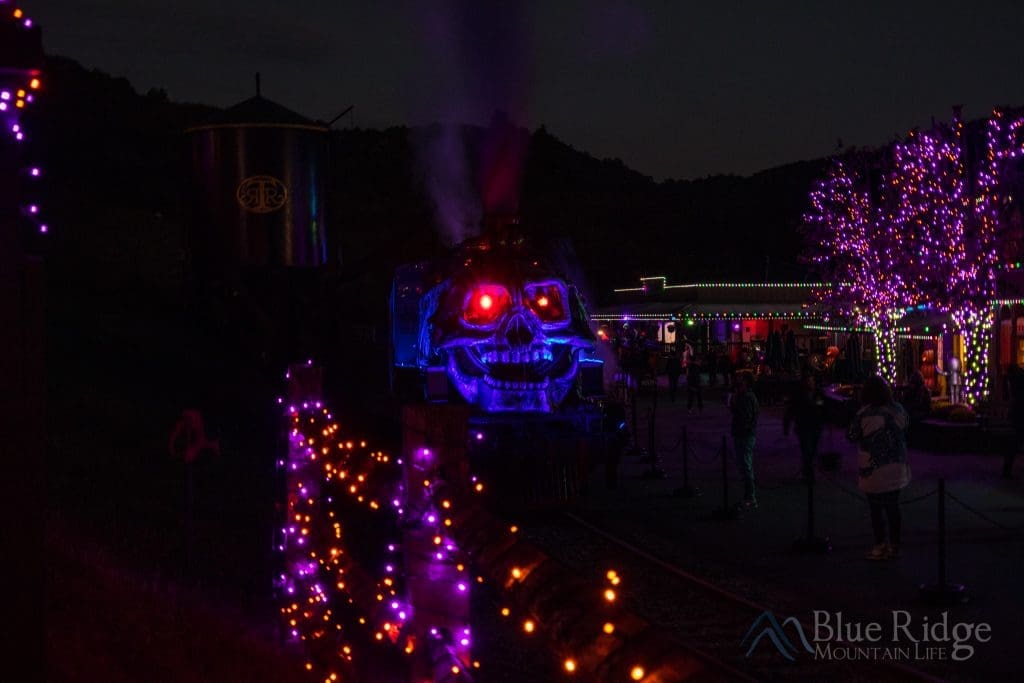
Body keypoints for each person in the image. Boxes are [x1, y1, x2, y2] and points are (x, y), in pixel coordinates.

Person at [846, 374, 910, 560]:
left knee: (876, 509)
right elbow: (906, 427)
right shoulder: (898, 410)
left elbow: (851, 435)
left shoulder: (864, 414)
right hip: (896, 465)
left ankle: (880, 544)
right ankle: (895, 545)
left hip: (872, 468)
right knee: (893, 508)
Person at [783, 371, 826, 480]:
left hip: (816, 426)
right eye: (809, 381)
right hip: (804, 427)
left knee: (813, 450)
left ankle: (808, 470)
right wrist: (786, 426)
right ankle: (809, 473)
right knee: (807, 449)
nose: (810, 383)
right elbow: (790, 410)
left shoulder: (818, 393)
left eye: (812, 381)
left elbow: (824, 408)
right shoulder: (798, 394)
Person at [729, 371, 760, 509]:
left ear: (746, 382)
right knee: (744, 465)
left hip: (745, 435)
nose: (737, 380)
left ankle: (751, 497)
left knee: (746, 465)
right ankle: (748, 496)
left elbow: (747, 418)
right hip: (742, 433)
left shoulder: (747, 396)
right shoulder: (742, 395)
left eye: (740, 378)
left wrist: (742, 430)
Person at [1004, 364, 1024, 479]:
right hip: (1019, 415)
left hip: (1017, 415)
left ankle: (1007, 469)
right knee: (1014, 443)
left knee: (1014, 443)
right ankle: (1007, 469)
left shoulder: (1015, 383)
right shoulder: (1018, 381)